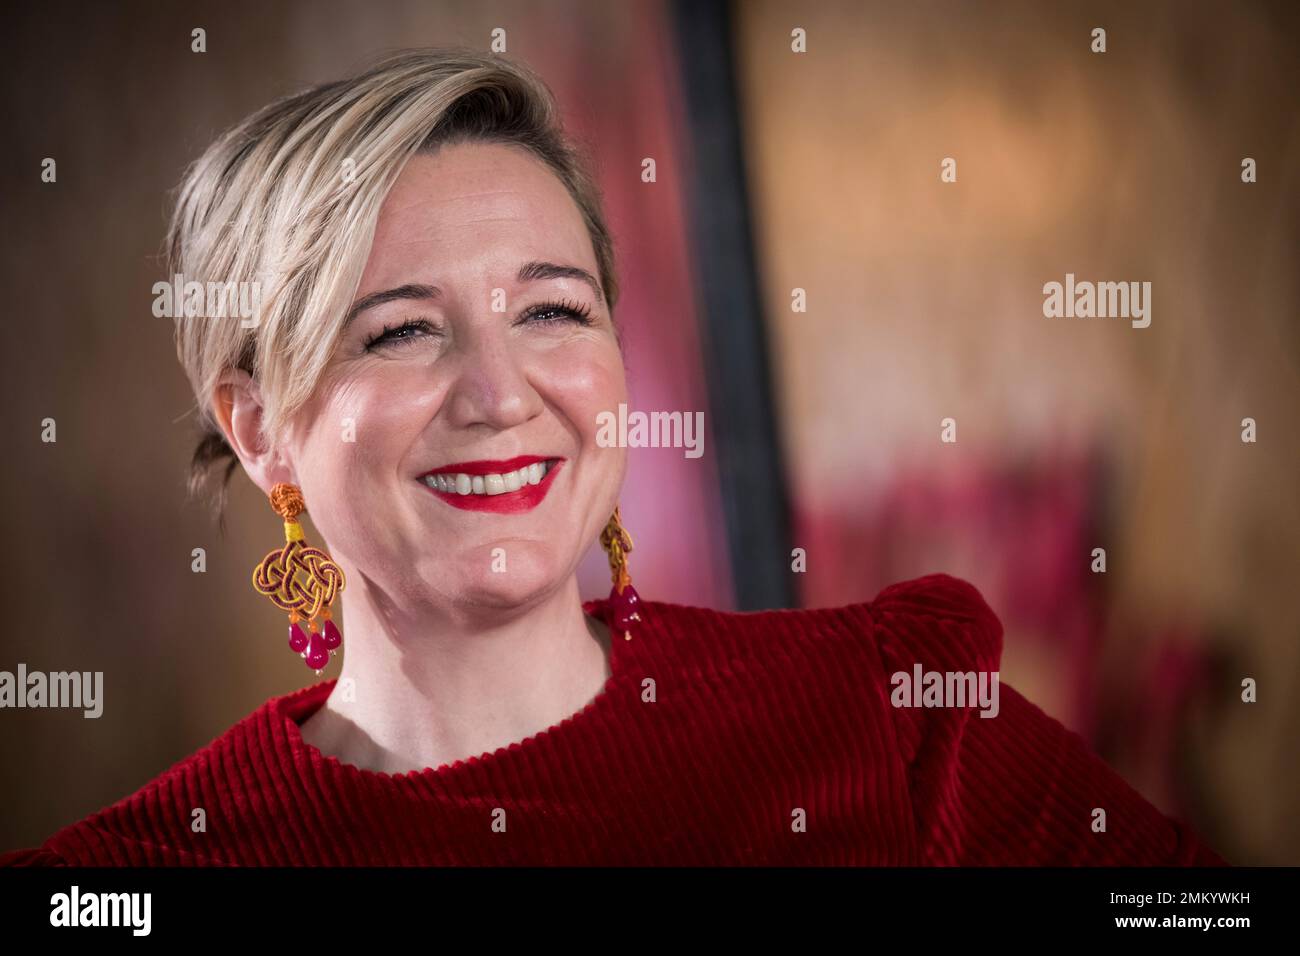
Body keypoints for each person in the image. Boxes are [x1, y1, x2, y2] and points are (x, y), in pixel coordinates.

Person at [0, 48, 1224, 866]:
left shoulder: (887, 714)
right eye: (403, 329)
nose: (498, 393)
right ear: (260, 424)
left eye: (552, 310)